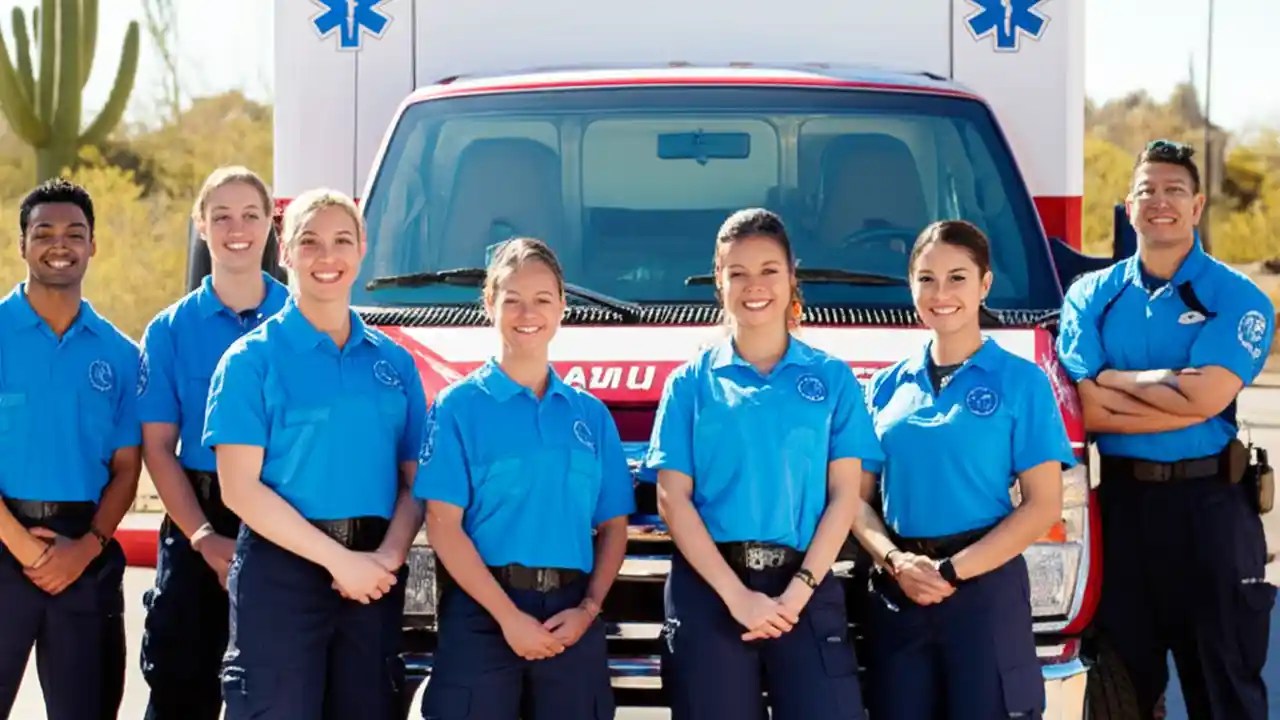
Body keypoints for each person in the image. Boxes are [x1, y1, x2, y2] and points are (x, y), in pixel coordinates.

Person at [1057, 139, 1276, 719]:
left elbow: (1206, 397)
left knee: (1225, 689)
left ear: (1197, 206)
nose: (1160, 201)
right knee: (1120, 689)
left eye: (1174, 190)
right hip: (1121, 511)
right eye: (1147, 190)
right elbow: (1086, 408)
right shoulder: (1090, 296)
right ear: (1128, 207)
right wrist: (1177, 394)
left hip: (1212, 508)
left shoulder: (1239, 298)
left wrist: (1116, 380)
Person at [644, 208, 880, 720]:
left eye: (769, 270)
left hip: (805, 588)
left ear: (792, 276)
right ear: (719, 281)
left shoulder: (833, 379)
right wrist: (737, 597)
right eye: (738, 273)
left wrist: (798, 593)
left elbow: (845, 496)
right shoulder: (689, 383)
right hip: (711, 592)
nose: (755, 285)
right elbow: (672, 499)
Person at [202, 187, 427, 719]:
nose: (328, 256)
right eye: (309, 241)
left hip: (374, 576)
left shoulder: (395, 363)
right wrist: (338, 562)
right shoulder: (250, 361)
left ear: (363, 249)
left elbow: (416, 480)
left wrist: (388, 558)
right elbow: (239, 489)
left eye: (343, 240)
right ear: (284, 251)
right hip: (282, 575)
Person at [850, 219, 1074, 719]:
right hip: (899, 591)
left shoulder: (1022, 382)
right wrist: (897, 562)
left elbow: (1043, 505)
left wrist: (951, 572)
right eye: (926, 279)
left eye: (957, 278)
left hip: (983, 592)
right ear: (911, 287)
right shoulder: (884, 387)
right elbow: (855, 501)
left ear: (984, 284)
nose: (941, 294)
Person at [415, 237, 634, 720]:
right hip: (483, 617)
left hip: (570, 619)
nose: (527, 313)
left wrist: (588, 610)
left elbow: (614, 527)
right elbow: (443, 526)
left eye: (542, 299)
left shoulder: (590, 415)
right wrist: (508, 618)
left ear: (562, 307)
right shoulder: (457, 408)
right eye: (512, 299)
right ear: (489, 304)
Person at [136, 166, 290, 720]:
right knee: (180, 689)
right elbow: (158, 447)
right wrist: (203, 537)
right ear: (200, 226)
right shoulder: (169, 330)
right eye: (221, 216)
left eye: (250, 215)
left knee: (277, 696)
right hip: (197, 523)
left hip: (287, 525)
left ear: (271, 225)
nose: (236, 229)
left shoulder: (301, 321)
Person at [0, 178, 140, 720]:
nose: (59, 244)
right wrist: (27, 550)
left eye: (74, 233)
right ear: (22, 244)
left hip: (85, 554)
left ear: (92, 245)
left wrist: (84, 549)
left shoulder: (120, 353)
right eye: (44, 232)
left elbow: (127, 469)